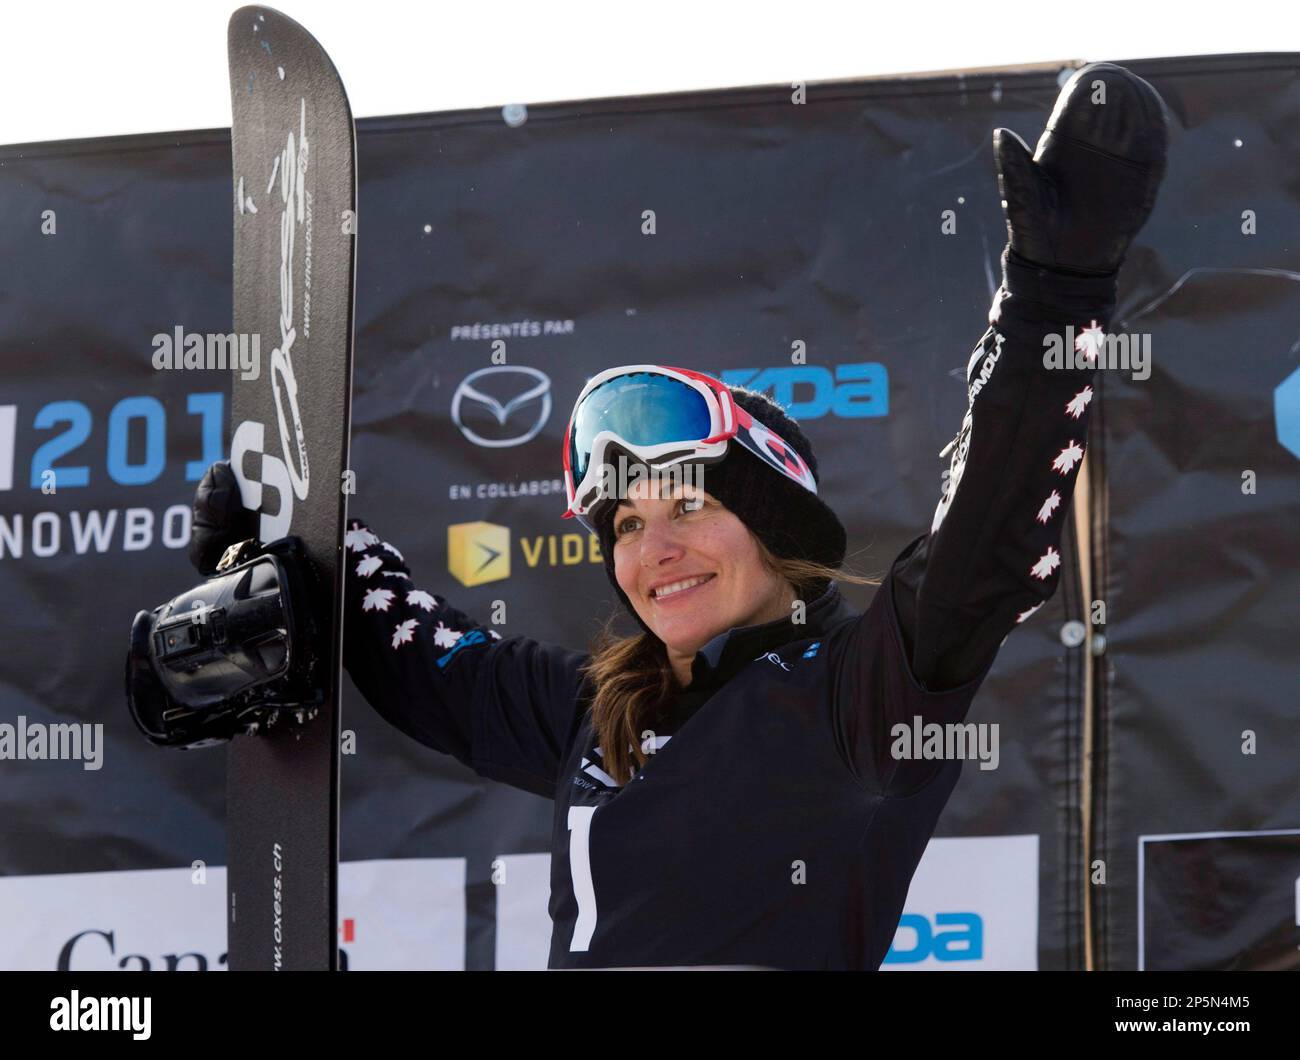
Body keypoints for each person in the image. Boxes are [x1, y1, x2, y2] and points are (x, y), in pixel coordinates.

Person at [190, 62, 1168, 969]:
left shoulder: (860, 700)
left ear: (777, 530)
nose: (651, 549)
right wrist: (294, 539)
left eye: (688, 507)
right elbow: (424, 658)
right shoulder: (598, 711)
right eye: (622, 526)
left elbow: (986, 539)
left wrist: (1053, 301)